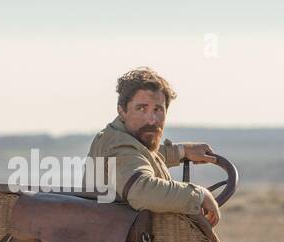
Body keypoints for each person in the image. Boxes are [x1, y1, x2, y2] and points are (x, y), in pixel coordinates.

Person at [87, 68, 221, 226]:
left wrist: (184, 151)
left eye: (157, 110)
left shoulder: (124, 138)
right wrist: (199, 195)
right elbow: (141, 191)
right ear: (121, 110)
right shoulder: (118, 146)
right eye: (141, 108)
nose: (151, 120)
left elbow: (143, 156)